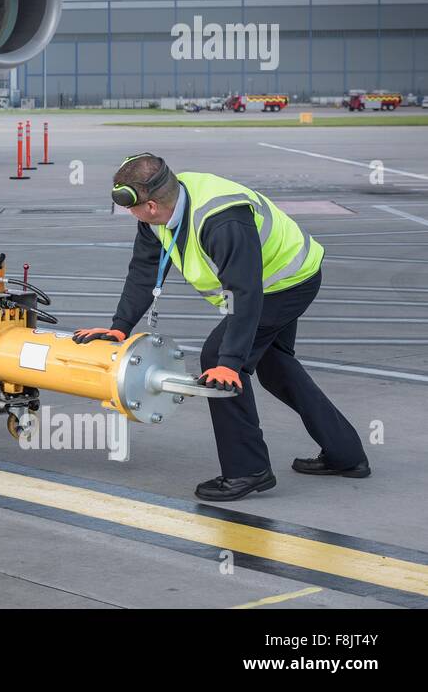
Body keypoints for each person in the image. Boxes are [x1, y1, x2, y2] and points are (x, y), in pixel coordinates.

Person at [73, 153, 369, 501]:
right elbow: (144, 269)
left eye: (132, 207)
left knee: (220, 360)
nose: (129, 214)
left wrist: (229, 362)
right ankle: (346, 455)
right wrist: (120, 327)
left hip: (288, 283)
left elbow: (246, 294)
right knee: (276, 369)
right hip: (266, 287)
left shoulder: (222, 220)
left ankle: (248, 471)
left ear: (151, 205)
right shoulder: (159, 214)